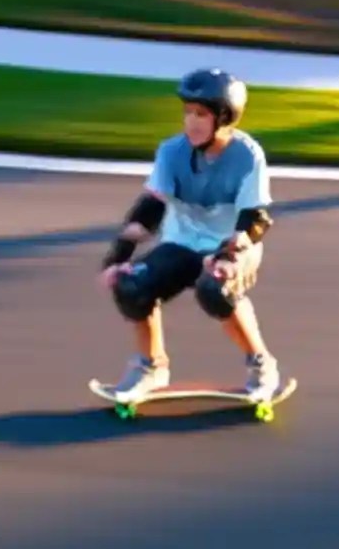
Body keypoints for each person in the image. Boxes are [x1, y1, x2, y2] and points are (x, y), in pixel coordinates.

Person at [98, 67, 280, 402]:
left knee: (214, 289)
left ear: (224, 118)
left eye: (201, 114)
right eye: (187, 113)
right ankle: (152, 367)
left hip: (233, 246)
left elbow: (256, 218)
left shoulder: (247, 155)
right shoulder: (171, 151)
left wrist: (228, 256)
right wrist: (117, 259)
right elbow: (150, 209)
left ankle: (261, 364)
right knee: (130, 286)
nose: (191, 122)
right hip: (181, 244)